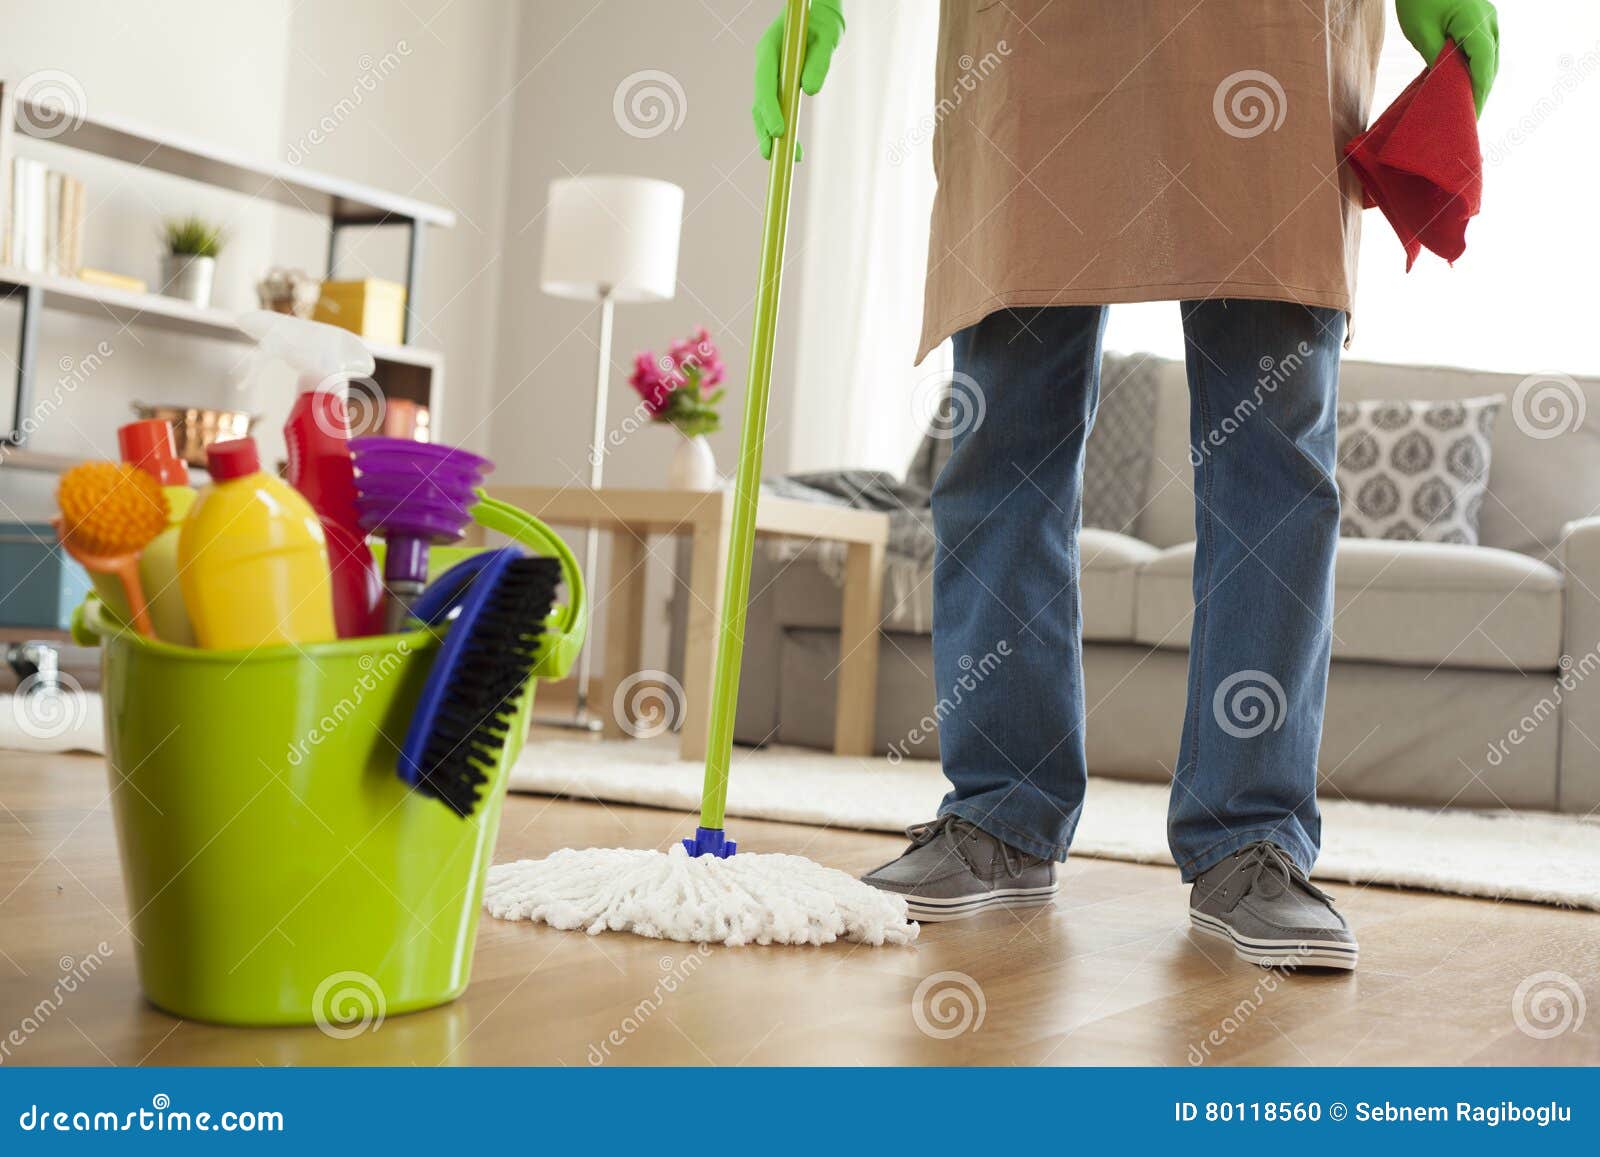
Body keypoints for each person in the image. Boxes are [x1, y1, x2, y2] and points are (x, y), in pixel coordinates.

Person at [753, 0, 1500, 969]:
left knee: (1269, 454)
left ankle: (1252, 836)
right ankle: (999, 810)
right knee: (1000, 440)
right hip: (1034, 40)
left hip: (1263, 34)